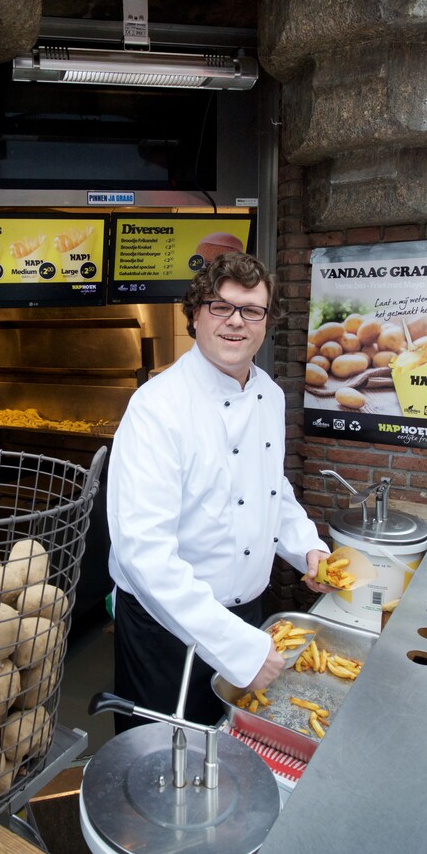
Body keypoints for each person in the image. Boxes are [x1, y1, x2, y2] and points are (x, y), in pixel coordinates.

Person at [106, 252, 331, 733]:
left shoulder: (269, 393)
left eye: (252, 310)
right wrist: (239, 648)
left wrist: (306, 545)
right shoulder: (156, 408)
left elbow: (271, 488)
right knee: (162, 766)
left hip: (249, 613)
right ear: (194, 314)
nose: (236, 322)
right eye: (220, 306)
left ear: (267, 322)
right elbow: (144, 555)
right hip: (166, 627)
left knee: (228, 755)